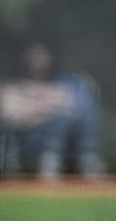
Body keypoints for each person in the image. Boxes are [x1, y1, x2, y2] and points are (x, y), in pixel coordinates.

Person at [0, 43, 105, 180]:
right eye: (35, 58)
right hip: (30, 138)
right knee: (59, 118)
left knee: (85, 112)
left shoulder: (64, 84)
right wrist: (43, 111)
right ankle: (50, 162)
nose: (39, 64)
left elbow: (77, 109)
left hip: (68, 136)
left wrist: (48, 108)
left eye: (43, 58)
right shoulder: (13, 88)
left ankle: (88, 158)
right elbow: (10, 117)